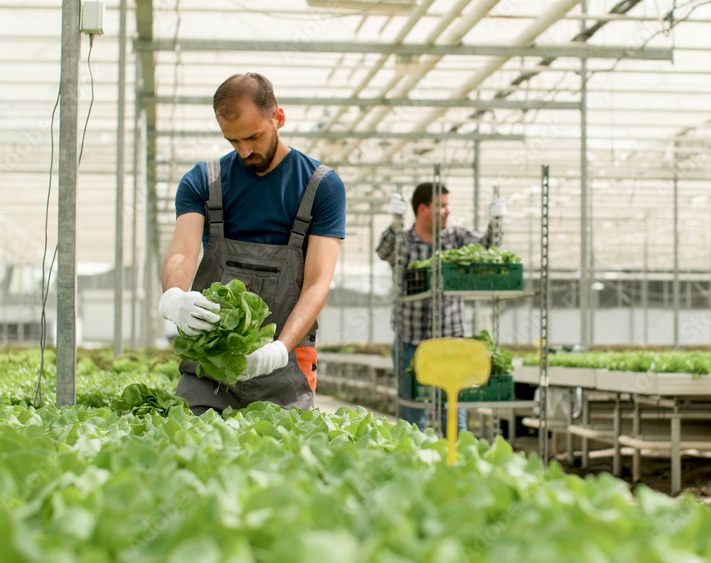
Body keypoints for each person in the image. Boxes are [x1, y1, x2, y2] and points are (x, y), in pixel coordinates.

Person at [158, 73, 345, 416]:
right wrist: (173, 295)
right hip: (209, 365)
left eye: (253, 137)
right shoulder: (204, 181)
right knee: (190, 453)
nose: (245, 151)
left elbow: (318, 284)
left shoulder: (321, 187)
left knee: (283, 461)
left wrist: (279, 348)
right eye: (233, 141)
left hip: (285, 366)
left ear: (279, 118)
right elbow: (182, 251)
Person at [376, 182, 508, 432]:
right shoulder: (403, 241)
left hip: (451, 342)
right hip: (410, 343)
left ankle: (455, 462)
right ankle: (415, 463)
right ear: (423, 209)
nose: (447, 211)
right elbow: (383, 250)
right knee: (413, 416)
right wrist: (395, 223)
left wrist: (496, 223)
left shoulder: (456, 237)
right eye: (442, 206)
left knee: (454, 412)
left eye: (448, 206)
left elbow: (488, 248)